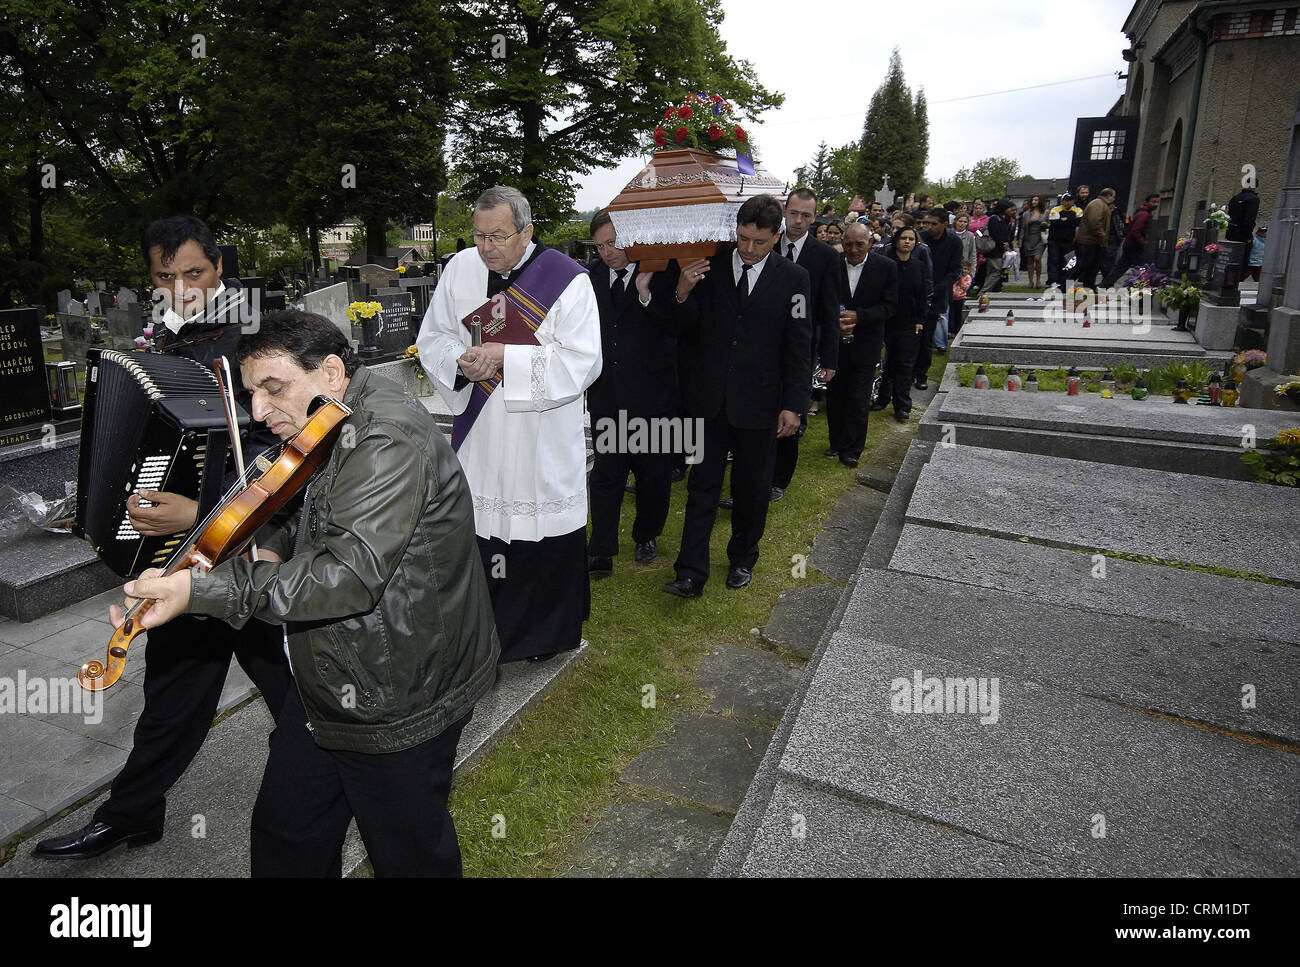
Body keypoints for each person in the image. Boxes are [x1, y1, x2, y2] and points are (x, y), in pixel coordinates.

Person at [114, 310, 498, 876]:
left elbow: (348, 575)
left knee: (409, 851)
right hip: (333, 675)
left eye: (274, 388)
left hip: (396, 691)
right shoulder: (328, 418)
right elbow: (315, 513)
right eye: (250, 394)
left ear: (333, 371)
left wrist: (201, 590)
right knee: (287, 833)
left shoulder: (384, 440)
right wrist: (272, 539)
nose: (259, 411)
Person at [34, 215, 292, 863]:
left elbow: (272, 452)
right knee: (172, 690)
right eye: (164, 277)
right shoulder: (159, 342)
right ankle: (132, 813)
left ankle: (347, 781)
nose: (180, 289)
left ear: (220, 269)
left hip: (247, 555)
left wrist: (194, 511)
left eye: (194, 274)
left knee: (301, 690)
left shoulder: (252, 341)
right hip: (186, 563)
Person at [417, 185, 601, 663]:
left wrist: (508, 360)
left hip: (540, 433)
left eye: (498, 236)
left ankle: (543, 637)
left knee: (540, 531)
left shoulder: (568, 280)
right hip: (481, 431)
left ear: (527, 231)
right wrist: (461, 362)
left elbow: (583, 362)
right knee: (483, 530)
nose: (487, 247)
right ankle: (482, 631)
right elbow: (433, 336)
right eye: (478, 236)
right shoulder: (460, 269)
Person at [664, 194, 811, 597]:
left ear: (776, 236)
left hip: (761, 404)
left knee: (751, 487)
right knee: (702, 486)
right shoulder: (709, 267)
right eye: (743, 239)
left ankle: (743, 557)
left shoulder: (794, 279)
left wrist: (794, 405)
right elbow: (684, 330)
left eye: (759, 242)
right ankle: (690, 571)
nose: (748, 249)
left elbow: (799, 346)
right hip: (710, 401)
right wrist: (681, 292)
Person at [584, 211, 677, 578]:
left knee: (652, 473)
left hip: (653, 395)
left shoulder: (659, 270)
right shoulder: (589, 277)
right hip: (607, 393)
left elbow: (676, 325)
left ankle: (646, 534)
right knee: (607, 473)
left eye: (613, 243)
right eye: (601, 246)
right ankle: (601, 547)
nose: (608, 252)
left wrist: (645, 296)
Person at [770, 189, 839, 501]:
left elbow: (829, 310)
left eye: (806, 216)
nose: (798, 221)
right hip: (763, 346)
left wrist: (830, 358)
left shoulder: (825, 257)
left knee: (791, 407)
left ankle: (778, 480)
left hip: (800, 346)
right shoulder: (766, 244)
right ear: (785, 211)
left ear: (815, 218)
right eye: (794, 213)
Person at [824, 222, 897, 467]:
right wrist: (835, 319)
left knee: (858, 398)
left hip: (866, 342)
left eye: (859, 244)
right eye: (848, 244)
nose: (853, 249)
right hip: (835, 342)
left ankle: (852, 449)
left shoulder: (886, 267)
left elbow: (890, 306)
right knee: (835, 395)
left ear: (870, 243)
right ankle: (836, 442)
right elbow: (824, 298)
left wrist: (860, 316)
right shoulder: (832, 264)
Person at [873, 226, 929, 422]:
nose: (907, 242)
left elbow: (922, 294)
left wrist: (920, 320)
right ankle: (882, 398)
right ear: (896, 240)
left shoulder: (918, 266)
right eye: (903, 238)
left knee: (904, 365)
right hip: (886, 319)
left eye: (911, 239)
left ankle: (902, 405)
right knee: (887, 362)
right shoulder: (885, 264)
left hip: (909, 322)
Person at [918, 207, 962, 372]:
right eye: (927, 223)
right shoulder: (921, 238)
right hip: (917, 291)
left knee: (927, 336)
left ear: (945, 224)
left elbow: (955, 271)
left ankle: (922, 373)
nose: (930, 227)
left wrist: (938, 288)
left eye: (934, 224)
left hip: (938, 293)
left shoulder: (953, 242)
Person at [1102, 193, 1160, 288]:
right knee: (1143, 268)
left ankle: (1105, 284)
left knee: (1121, 267)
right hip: (1135, 246)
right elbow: (1136, 231)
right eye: (1153, 202)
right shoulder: (1144, 215)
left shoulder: (1142, 212)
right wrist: (1143, 242)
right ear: (1146, 202)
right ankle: (1143, 287)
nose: (1156, 204)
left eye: (1157, 202)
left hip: (1131, 245)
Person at [1074, 188, 1116, 293]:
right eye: (1113, 196)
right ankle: (1065, 283)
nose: (1114, 199)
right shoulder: (1098, 204)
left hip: (1093, 241)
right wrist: (1102, 235)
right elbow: (1095, 222)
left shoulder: (1101, 204)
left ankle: (1089, 285)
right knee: (1083, 265)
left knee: (1093, 266)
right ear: (1109, 196)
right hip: (1089, 241)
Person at [1045, 193, 1083, 290]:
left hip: (1069, 241)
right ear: (1062, 201)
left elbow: (1080, 221)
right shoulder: (1055, 209)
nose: (1067, 202)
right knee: (1054, 260)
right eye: (1065, 200)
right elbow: (1054, 223)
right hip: (1055, 240)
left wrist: (1065, 220)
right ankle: (1053, 281)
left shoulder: (1077, 210)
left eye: (1070, 200)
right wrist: (1070, 221)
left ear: (1073, 201)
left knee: (1069, 261)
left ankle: (1065, 281)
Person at [1227, 183, 1261, 279]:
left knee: (1231, 259)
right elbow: (1249, 219)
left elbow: (1230, 215)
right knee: (1241, 263)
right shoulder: (1253, 199)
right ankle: (1235, 282)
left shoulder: (1235, 198)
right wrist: (1247, 236)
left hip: (1231, 233)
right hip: (1242, 235)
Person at [983, 200, 1016, 294]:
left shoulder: (1007, 220)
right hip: (994, 250)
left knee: (994, 272)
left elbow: (1008, 235)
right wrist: (1003, 244)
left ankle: (995, 290)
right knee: (995, 271)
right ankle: (984, 292)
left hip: (1002, 250)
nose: (1013, 212)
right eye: (1011, 209)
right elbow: (995, 234)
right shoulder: (994, 219)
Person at [1018, 195, 1047, 289]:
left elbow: (1051, 224)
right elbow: (1023, 228)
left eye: (1036, 200)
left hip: (1040, 238)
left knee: (1037, 258)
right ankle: (1030, 281)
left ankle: (1038, 280)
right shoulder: (1027, 213)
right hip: (1029, 238)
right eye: (1033, 200)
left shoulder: (1046, 212)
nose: (1034, 202)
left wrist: (1046, 224)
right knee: (1030, 260)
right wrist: (1020, 240)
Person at [950, 259, 974, 338]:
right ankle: (951, 330)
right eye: (964, 268)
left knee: (958, 315)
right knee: (951, 314)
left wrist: (961, 281)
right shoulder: (956, 275)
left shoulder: (968, 278)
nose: (965, 271)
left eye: (967, 269)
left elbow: (965, 288)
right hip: (952, 297)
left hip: (960, 298)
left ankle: (957, 330)